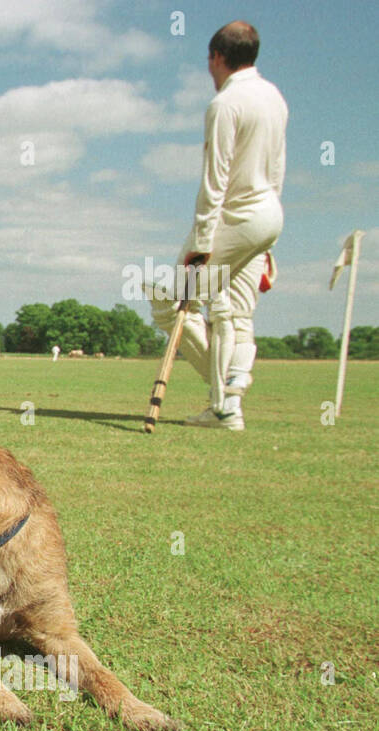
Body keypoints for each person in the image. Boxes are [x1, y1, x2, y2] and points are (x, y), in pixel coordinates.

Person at [149, 21, 287, 431]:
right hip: (268, 216)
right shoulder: (274, 97)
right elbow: (277, 168)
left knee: (166, 300)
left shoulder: (225, 104)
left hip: (236, 217)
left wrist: (202, 244)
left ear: (216, 57)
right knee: (233, 310)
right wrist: (266, 238)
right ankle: (230, 400)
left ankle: (225, 392)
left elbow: (215, 181)